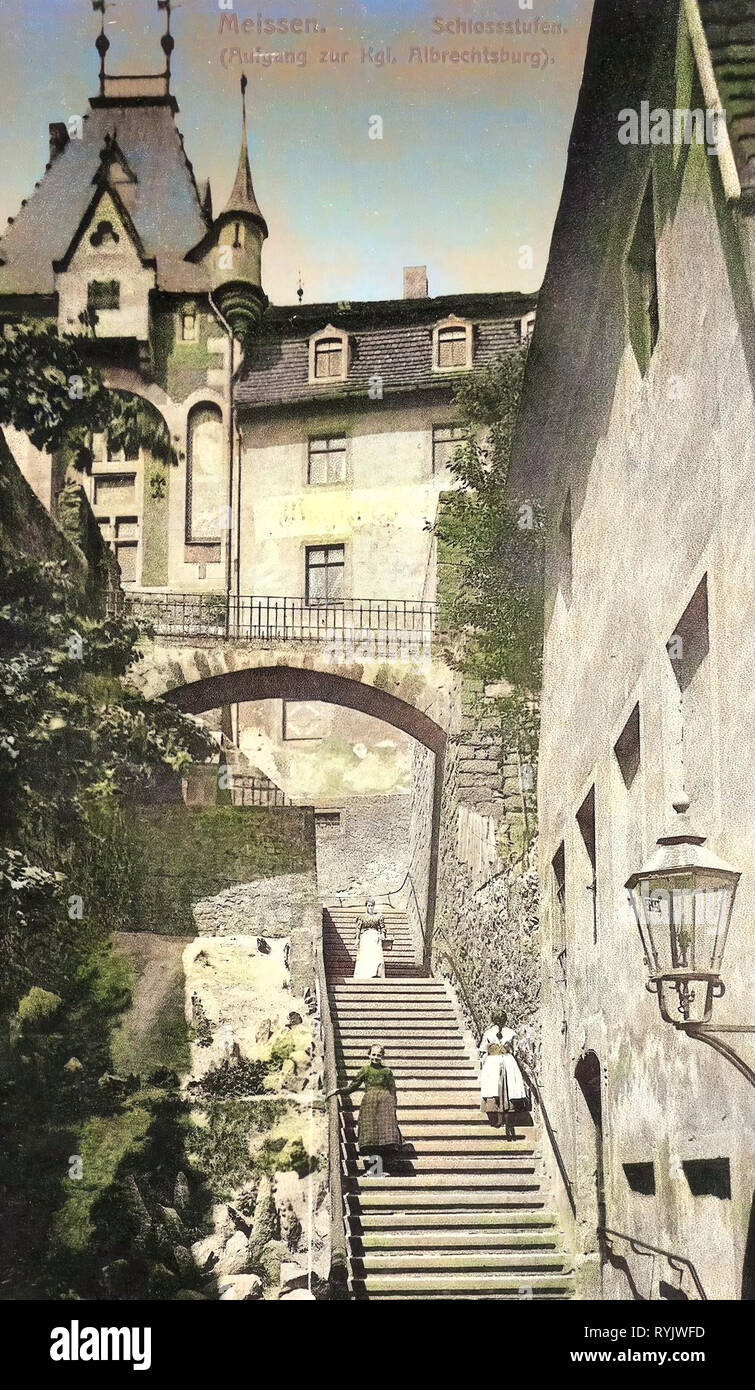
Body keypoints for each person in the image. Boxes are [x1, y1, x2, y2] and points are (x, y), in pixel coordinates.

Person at [327, 1045, 402, 1163]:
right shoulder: (365, 1070)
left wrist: (393, 1106)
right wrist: (339, 1091)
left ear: (382, 1056)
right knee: (371, 1136)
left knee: (384, 1136)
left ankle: (384, 1169)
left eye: (378, 1055)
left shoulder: (387, 1071)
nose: (375, 1057)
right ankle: (374, 1170)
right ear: (369, 1055)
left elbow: (392, 1090)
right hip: (369, 1105)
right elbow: (354, 1085)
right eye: (373, 1054)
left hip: (384, 1104)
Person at [479, 1008, 529, 1135]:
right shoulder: (511, 1032)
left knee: (493, 1085)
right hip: (508, 1060)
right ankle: (508, 1117)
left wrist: (483, 1064)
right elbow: (517, 1050)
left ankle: (497, 1119)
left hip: (493, 1061)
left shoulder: (488, 1033)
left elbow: (483, 1050)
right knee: (509, 1084)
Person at [352, 897, 387, 979]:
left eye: (372, 906)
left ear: (374, 906)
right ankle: (365, 974)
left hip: (375, 937)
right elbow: (358, 929)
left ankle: (376, 973)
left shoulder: (378, 917)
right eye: (368, 906)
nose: (370, 907)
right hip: (366, 937)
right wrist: (357, 939)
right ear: (366, 906)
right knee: (366, 956)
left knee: (376, 956)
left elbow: (383, 927)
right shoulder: (362, 917)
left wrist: (383, 934)